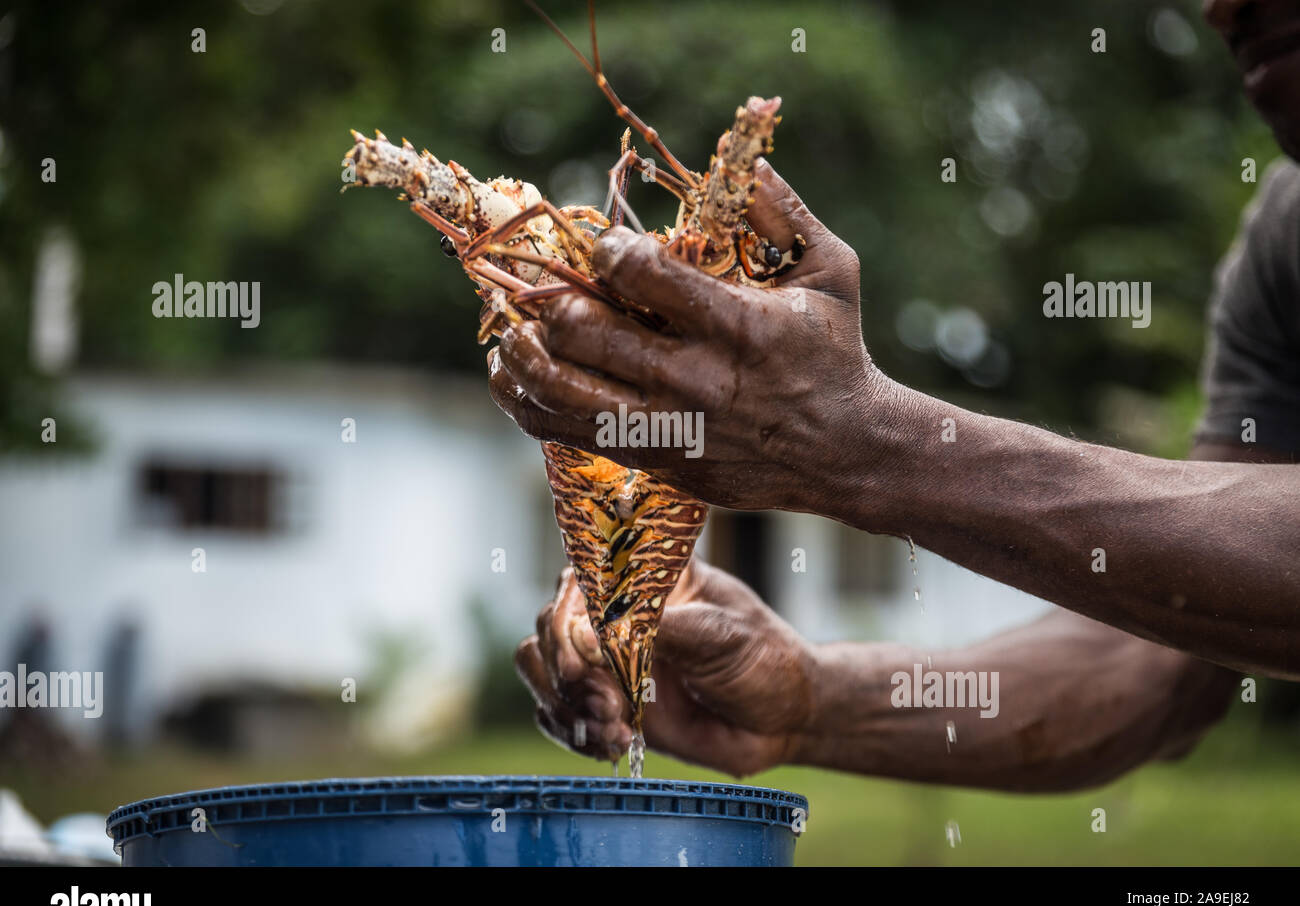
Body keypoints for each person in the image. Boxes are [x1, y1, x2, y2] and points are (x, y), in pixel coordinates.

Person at [486, 0, 1300, 788]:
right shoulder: (1283, 241)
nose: (1221, 8)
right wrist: (810, 701)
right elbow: (1170, 656)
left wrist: (866, 444)